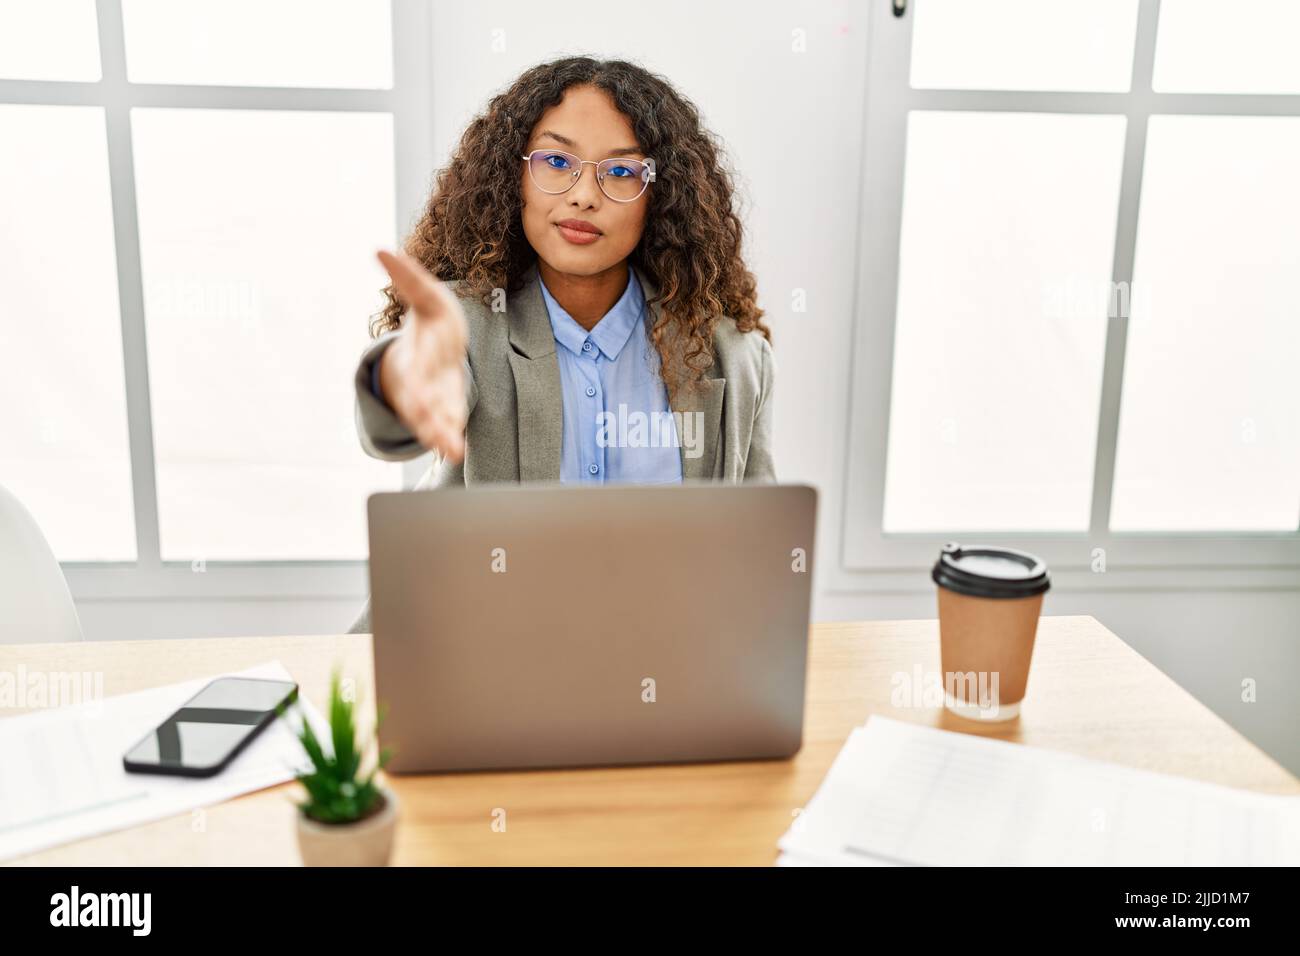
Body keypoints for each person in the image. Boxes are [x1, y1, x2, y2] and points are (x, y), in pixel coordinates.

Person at [350, 56, 775, 633]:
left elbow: (762, 554)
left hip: (668, 680)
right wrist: (405, 375)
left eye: (621, 174)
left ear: (661, 197)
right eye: (556, 162)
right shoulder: (469, 324)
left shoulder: (733, 353)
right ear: (514, 177)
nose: (582, 196)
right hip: (482, 665)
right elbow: (396, 417)